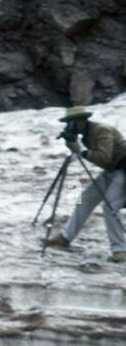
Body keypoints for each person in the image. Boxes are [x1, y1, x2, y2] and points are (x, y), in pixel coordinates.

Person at [47, 107, 126, 262]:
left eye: (72, 122)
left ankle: (120, 250)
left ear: (81, 121)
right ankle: (65, 238)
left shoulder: (101, 131)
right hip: (112, 170)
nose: (71, 125)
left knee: (110, 207)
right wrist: (74, 145)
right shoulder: (86, 136)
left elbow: (104, 158)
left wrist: (81, 151)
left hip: (124, 169)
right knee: (84, 199)